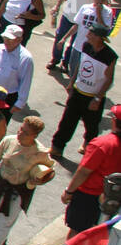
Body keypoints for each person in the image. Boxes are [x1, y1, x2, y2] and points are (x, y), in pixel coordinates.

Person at [0, 117, 55, 245]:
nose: (20, 133)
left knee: (3, 225)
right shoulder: (9, 140)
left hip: (18, 193)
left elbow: (50, 172)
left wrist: (39, 180)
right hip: (0, 187)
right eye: (21, 128)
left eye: (26, 132)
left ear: (34, 136)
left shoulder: (40, 153)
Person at [50, 22, 116, 159]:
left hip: (93, 97)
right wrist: (72, 82)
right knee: (67, 121)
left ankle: (88, 145)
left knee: (92, 125)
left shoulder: (110, 56)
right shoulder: (86, 46)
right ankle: (57, 146)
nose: (87, 35)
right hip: (78, 91)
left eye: (91, 33)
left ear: (99, 37)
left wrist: (98, 98)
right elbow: (81, 66)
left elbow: (108, 79)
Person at [60, 105, 121, 237]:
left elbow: (83, 172)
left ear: (114, 121)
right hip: (113, 199)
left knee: (76, 234)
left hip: (87, 197)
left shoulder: (102, 144)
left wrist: (69, 191)